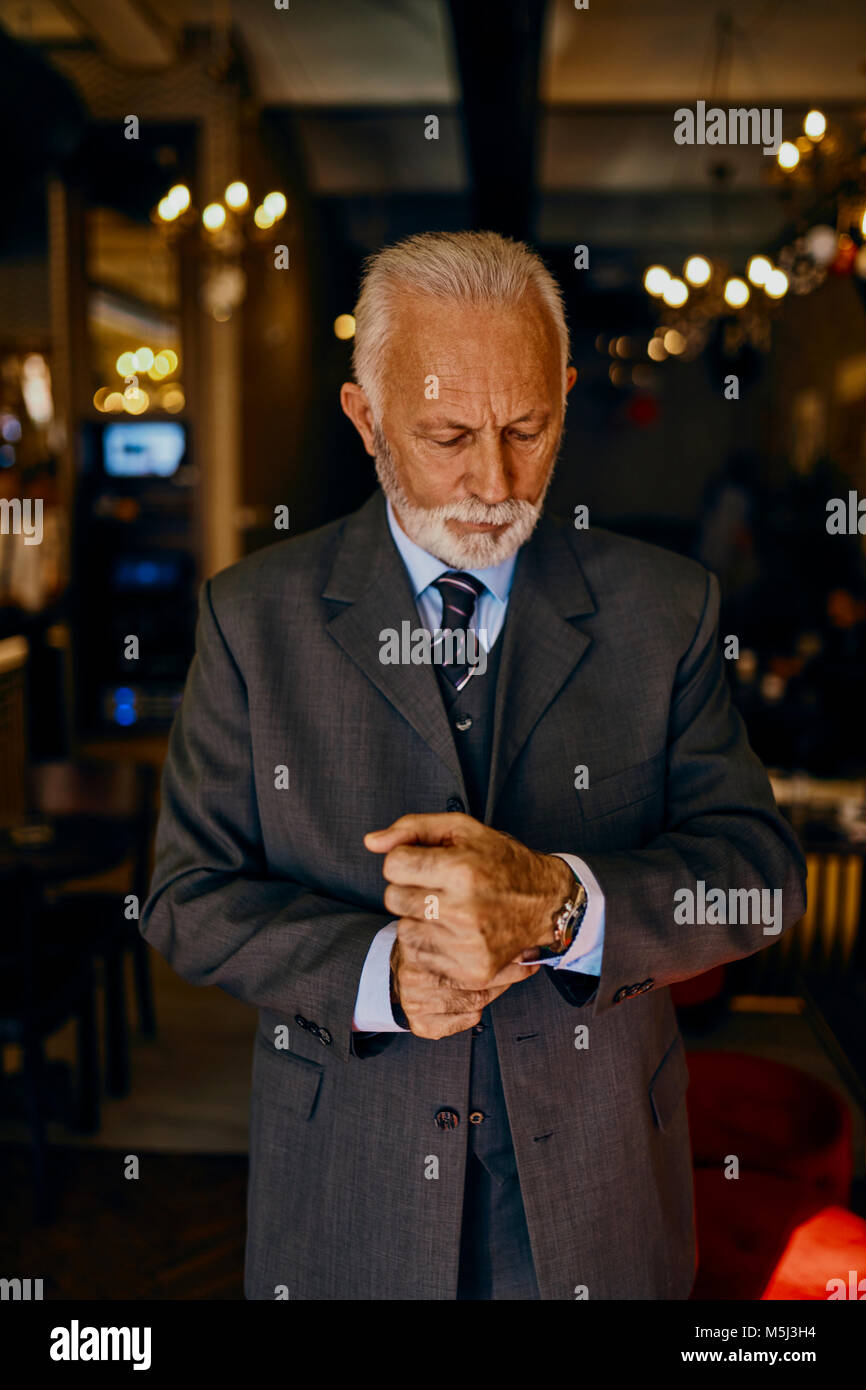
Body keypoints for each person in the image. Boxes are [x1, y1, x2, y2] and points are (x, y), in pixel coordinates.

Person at [141, 230, 806, 1301]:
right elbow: (183, 898)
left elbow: (759, 875)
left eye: (526, 429)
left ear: (564, 395)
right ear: (365, 420)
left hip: (598, 1190)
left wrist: (562, 905)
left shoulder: (665, 607)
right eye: (447, 434)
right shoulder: (250, 618)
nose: (493, 481)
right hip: (349, 1189)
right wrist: (374, 973)